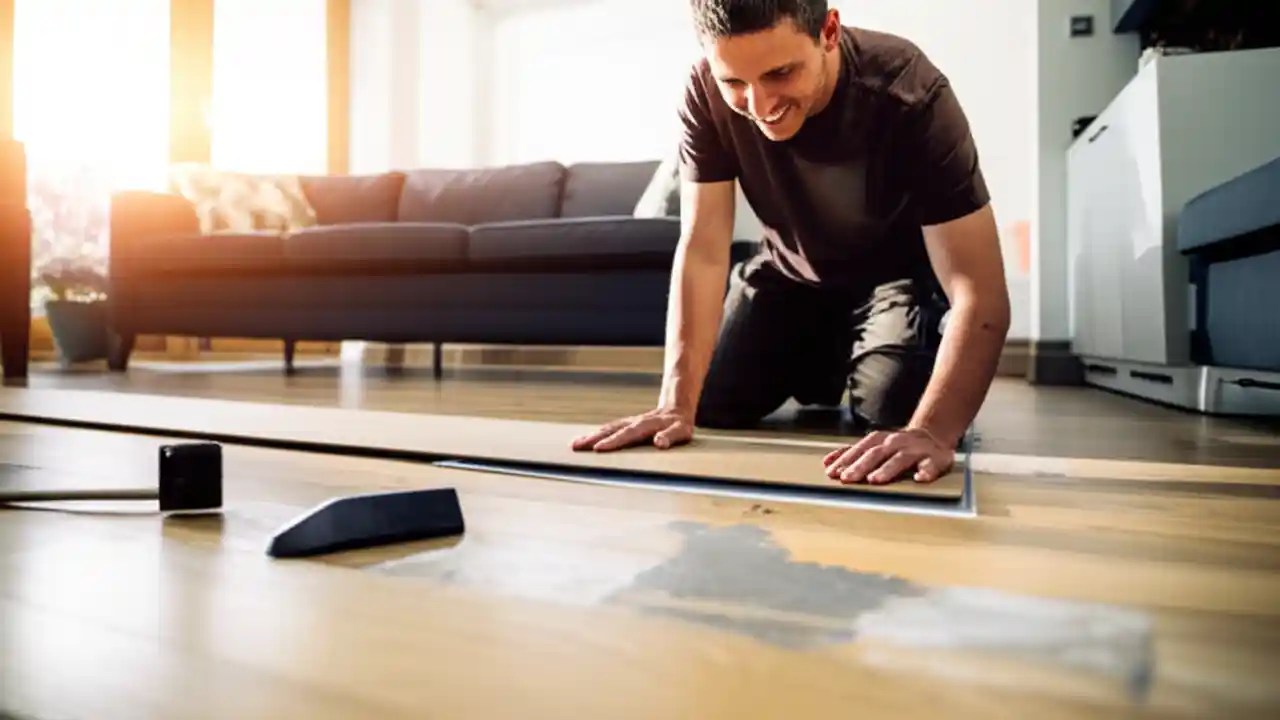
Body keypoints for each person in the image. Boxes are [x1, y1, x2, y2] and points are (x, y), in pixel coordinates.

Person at [571, 0, 1011, 486]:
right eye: (734, 83)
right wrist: (674, 402)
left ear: (828, 30)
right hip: (789, 273)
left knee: (894, 413)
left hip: (895, 280)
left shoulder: (912, 93)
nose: (759, 108)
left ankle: (870, 360)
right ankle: (824, 361)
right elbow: (702, 248)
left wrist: (933, 430)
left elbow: (979, 289)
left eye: (780, 73)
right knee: (710, 404)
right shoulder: (704, 92)